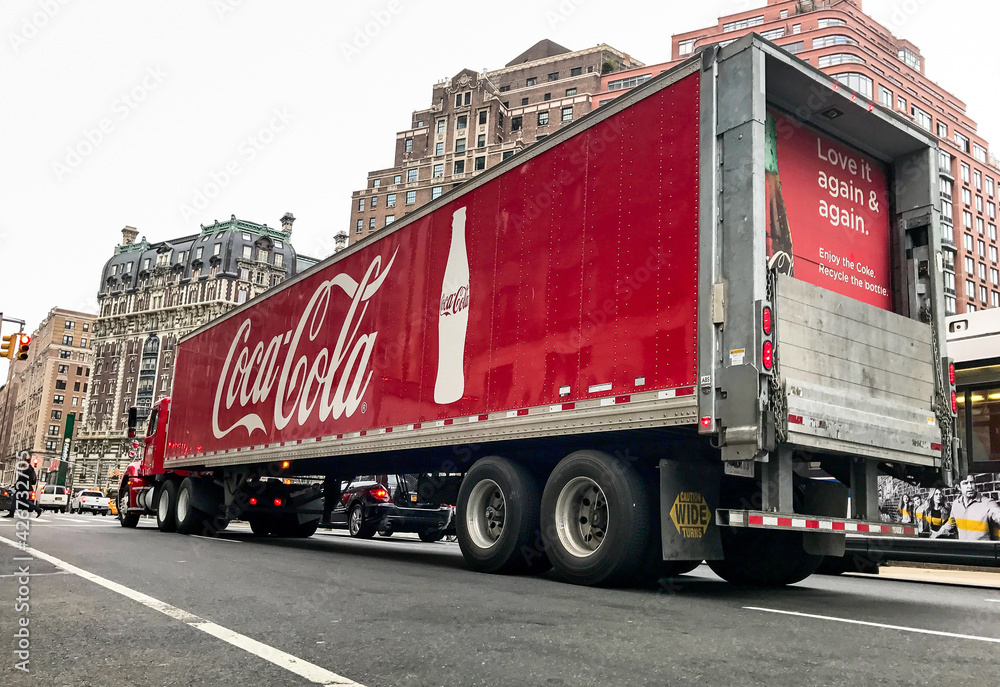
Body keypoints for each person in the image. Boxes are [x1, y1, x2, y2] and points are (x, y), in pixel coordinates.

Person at [931, 475, 1000, 541]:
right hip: (964, 550)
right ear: (959, 487)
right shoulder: (956, 505)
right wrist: (937, 533)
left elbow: (997, 514)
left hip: (983, 551)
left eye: (972, 482)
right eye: (965, 483)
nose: (970, 486)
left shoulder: (988, 503)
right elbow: (950, 523)